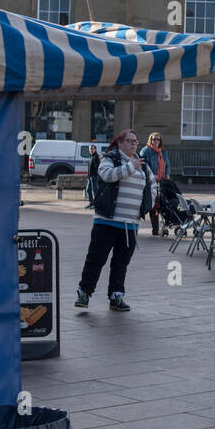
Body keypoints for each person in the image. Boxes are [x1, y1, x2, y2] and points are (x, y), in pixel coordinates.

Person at [77, 128, 156, 312]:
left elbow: (152, 186)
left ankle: (116, 296)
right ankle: (84, 293)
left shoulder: (143, 165)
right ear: (120, 143)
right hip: (106, 221)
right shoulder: (110, 158)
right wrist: (130, 167)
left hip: (130, 224)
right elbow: (106, 176)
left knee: (121, 263)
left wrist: (147, 204)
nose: (134, 144)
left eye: (136, 141)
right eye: (129, 140)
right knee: (96, 259)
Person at [139, 132, 170, 237]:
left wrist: (167, 174)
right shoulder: (145, 150)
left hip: (161, 182)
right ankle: (152, 229)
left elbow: (167, 165)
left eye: (158, 139)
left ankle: (159, 228)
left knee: (160, 204)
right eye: (154, 139)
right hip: (150, 182)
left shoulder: (163, 152)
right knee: (150, 204)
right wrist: (152, 175)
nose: (156, 141)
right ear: (150, 140)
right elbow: (142, 165)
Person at [85, 143, 101, 208]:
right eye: (89, 149)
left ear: (95, 149)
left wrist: (94, 175)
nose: (90, 150)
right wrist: (88, 176)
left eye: (92, 148)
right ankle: (91, 203)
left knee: (95, 191)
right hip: (90, 177)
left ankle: (96, 204)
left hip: (94, 177)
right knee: (88, 190)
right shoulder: (91, 156)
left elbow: (97, 167)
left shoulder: (96, 157)